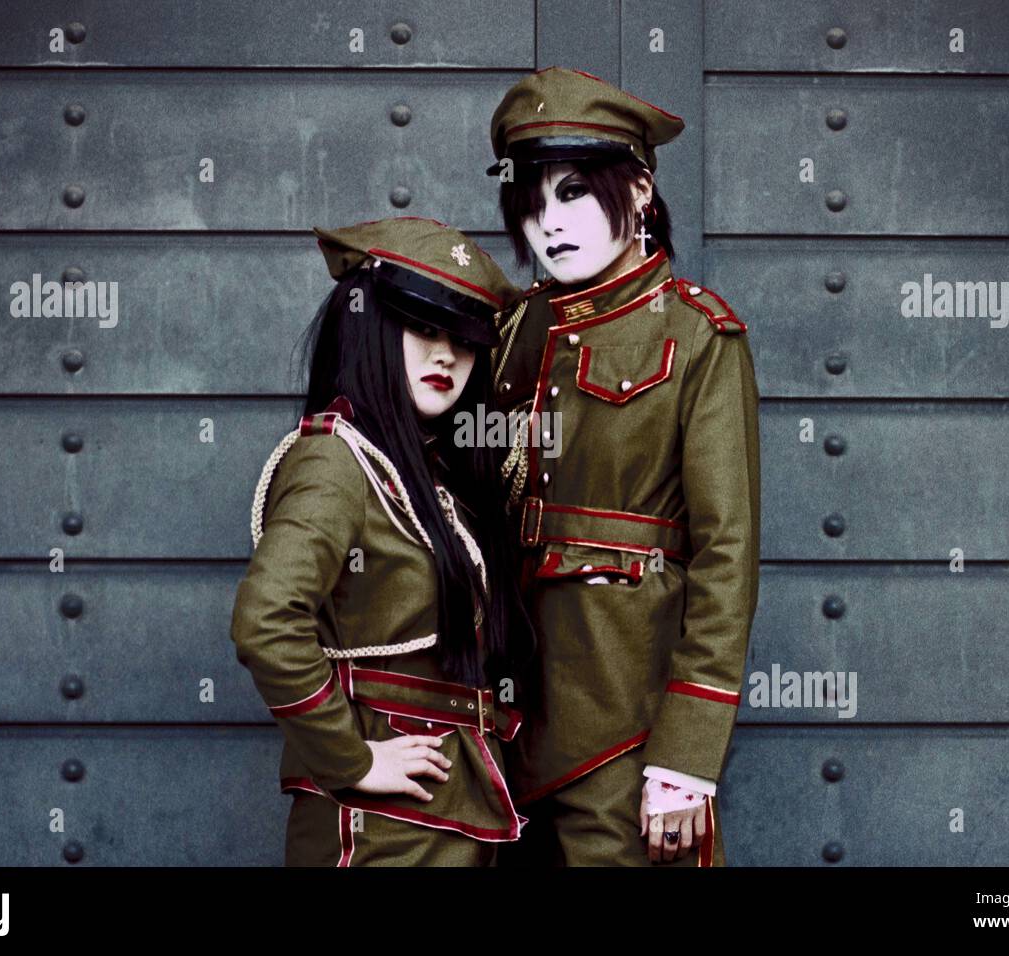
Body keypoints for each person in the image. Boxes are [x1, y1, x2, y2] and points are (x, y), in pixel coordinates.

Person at [485, 67, 761, 866]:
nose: (548, 225)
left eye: (573, 193)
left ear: (640, 191)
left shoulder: (699, 334)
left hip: (626, 724)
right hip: (506, 721)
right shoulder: (517, 329)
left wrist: (685, 758)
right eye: (531, 203)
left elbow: (726, 558)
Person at [230, 217, 535, 866]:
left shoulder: (434, 473)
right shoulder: (336, 461)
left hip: (453, 809)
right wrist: (352, 759)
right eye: (423, 327)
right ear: (368, 326)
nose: (447, 354)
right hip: (376, 829)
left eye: (466, 339)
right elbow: (265, 623)